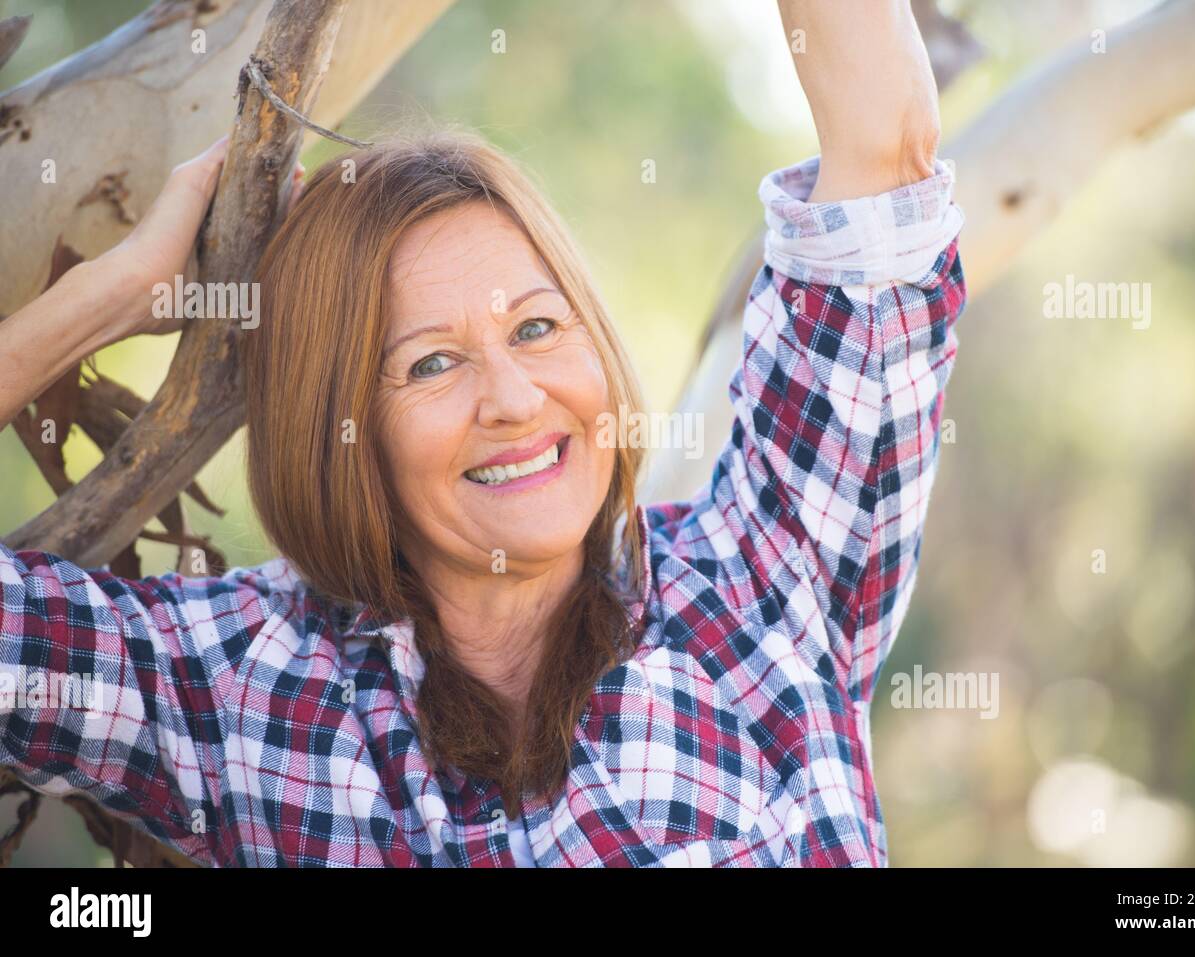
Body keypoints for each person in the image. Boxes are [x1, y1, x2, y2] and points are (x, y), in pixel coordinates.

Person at [0, 0, 964, 867]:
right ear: (335, 430)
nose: (513, 399)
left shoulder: (768, 579)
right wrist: (109, 297)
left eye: (537, 328)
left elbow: (885, 157)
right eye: (430, 364)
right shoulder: (243, 691)